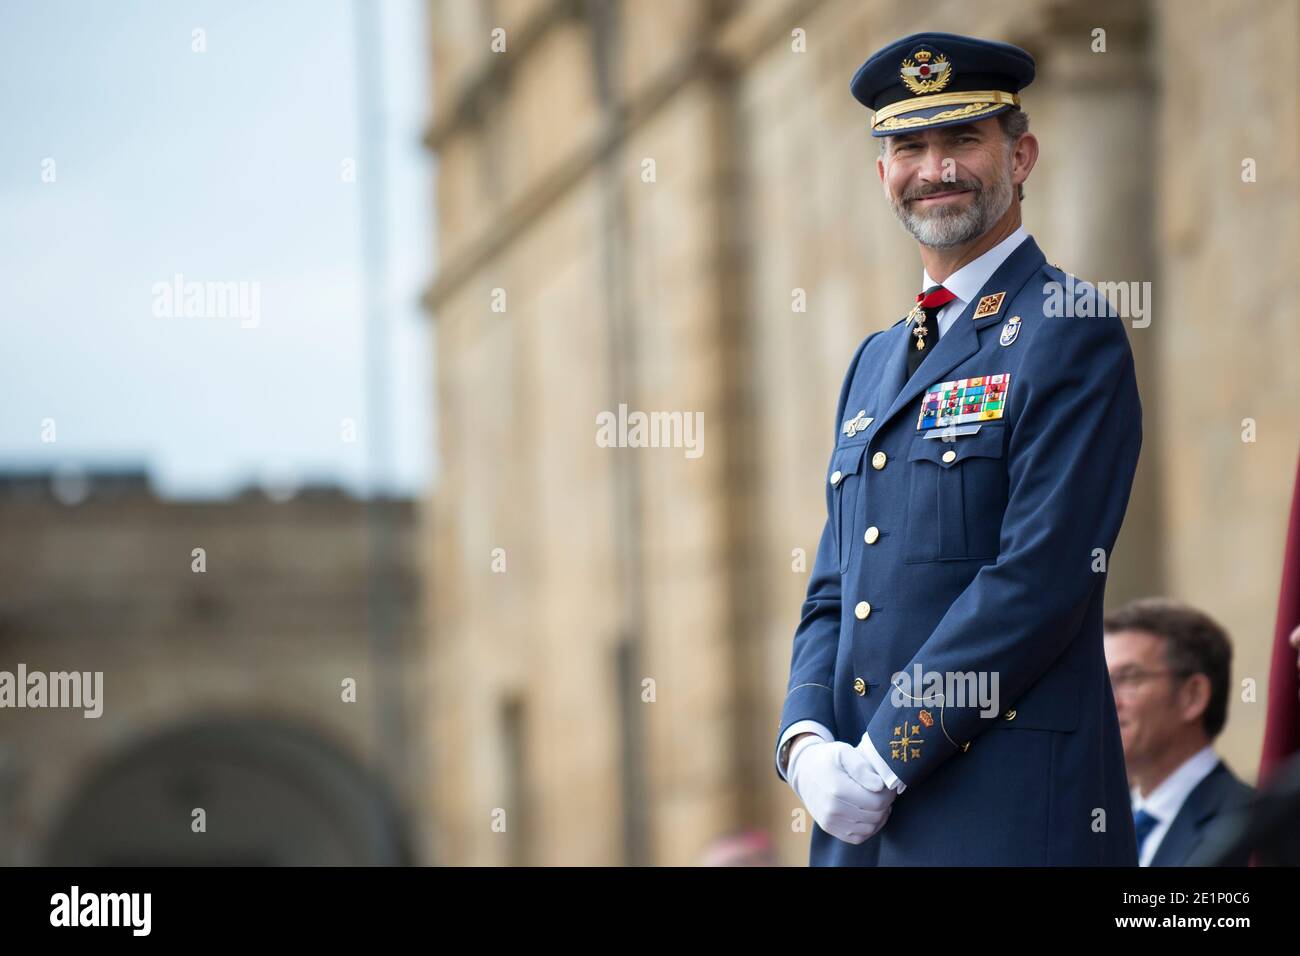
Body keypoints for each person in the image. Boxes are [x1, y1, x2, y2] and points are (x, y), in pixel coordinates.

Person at [774, 32, 1142, 865]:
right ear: (882, 174)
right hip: (859, 830)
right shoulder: (874, 361)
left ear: (1021, 155)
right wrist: (803, 740)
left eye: (962, 140)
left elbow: (1039, 578)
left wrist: (882, 758)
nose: (936, 169)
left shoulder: (1068, 328)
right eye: (910, 146)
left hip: (1002, 815)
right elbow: (836, 587)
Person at [1103, 598, 1254, 866]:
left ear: (1192, 696)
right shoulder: (1098, 824)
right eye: (1103, 682)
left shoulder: (1250, 829)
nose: (1106, 701)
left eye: (1128, 678)